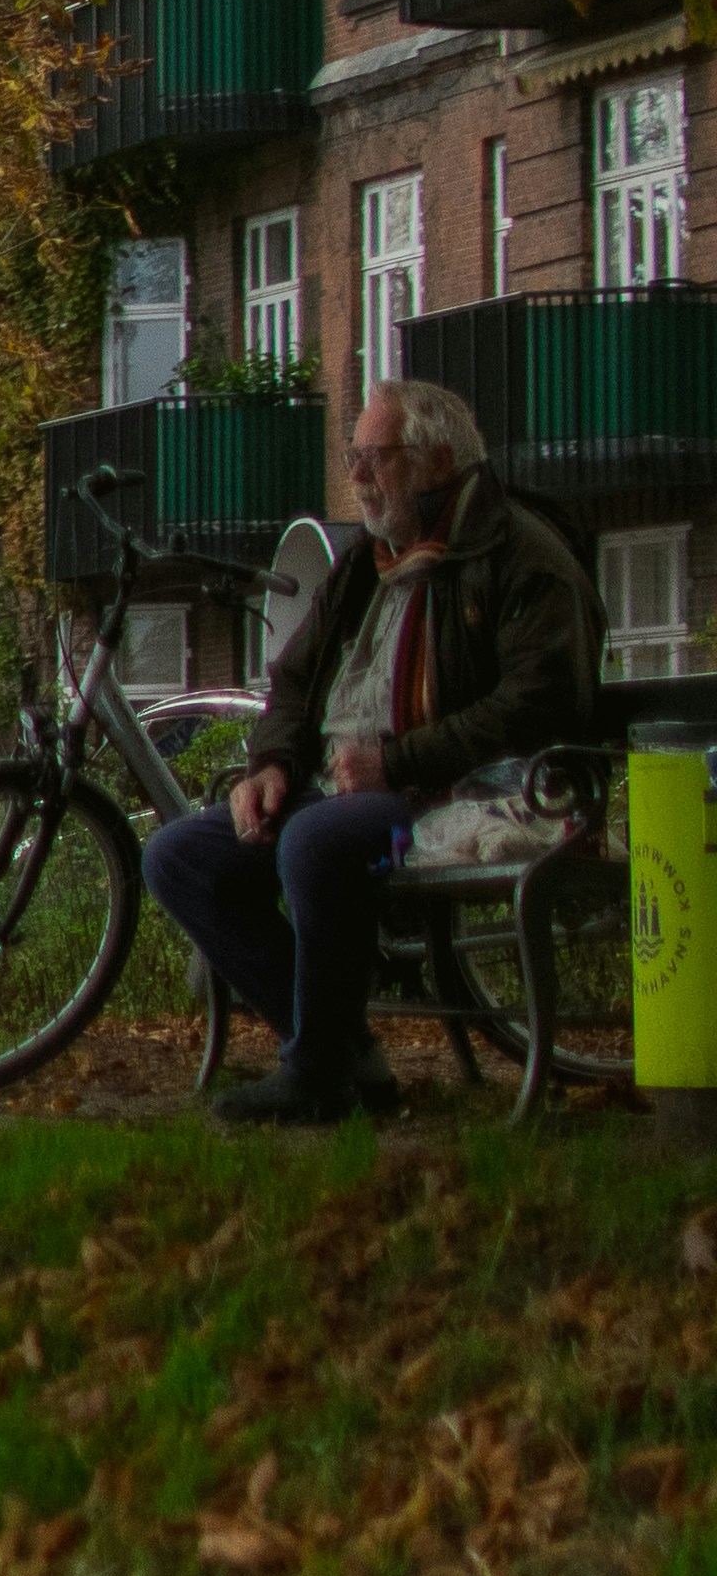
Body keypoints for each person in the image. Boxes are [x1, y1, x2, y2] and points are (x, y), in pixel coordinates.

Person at [143, 376, 596, 1128]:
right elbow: (293, 678)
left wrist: (400, 760)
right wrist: (272, 766)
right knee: (179, 856)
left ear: (437, 462)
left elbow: (541, 703)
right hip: (342, 787)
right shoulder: (366, 563)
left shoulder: (522, 553)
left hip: (446, 798)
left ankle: (316, 1076)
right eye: (352, 456)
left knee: (317, 844)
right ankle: (344, 1049)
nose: (354, 476)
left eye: (374, 458)